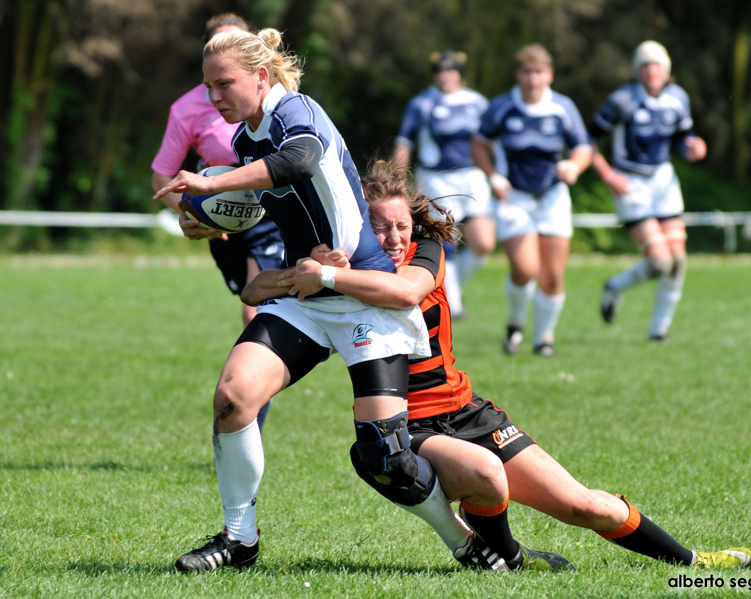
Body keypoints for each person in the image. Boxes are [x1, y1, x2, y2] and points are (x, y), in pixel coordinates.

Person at [258, 159, 751, 573]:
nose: (391, 236)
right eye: (379, 226)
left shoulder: (424, 252)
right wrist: (302, 274)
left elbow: (404, 290)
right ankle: (512, 561)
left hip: (468, 411)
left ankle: (695, 561)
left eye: (400, 225)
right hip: (407, 428)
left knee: (583, 505)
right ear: (360, 226)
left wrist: (325, 275)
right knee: (487, 475)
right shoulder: (338, 264)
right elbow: (254, 290)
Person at [153, 28, 469, 574]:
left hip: (360, 293)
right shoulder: (246, 142)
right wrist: (207, 220)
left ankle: (467, 544)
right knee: (233, 398)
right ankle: (239, 540)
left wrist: (208, 186)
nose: (215, 97)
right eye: (208, 87)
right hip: (306, 292)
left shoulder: (297, 111)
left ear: (260, 76)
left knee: (386, 455)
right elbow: (263, 199)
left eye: (224, 83)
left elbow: (298, 162)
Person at [151, 13, 282, 431]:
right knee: (247, 300)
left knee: (256, 312)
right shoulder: (187, 107)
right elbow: (162, 176)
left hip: (272, 215)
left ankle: (246, 423)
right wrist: (191, 215)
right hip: (223, 223)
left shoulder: (279, 97)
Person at [471, 44, 592, 357]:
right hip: (514, 198)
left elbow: (583, 148)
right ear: (518, 75)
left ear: (549, 74)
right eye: (527, 72)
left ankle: (543, 338)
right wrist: (493, 176)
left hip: (553, 197)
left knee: (552, 276)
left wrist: (574, 166)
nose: (533, 79)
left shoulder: (562, 107)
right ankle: (515, 322)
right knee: (525, 268)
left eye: (538, 72)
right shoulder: (501, 107)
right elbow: (479, 144)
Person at [590, 41, 707, 341]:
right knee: (659, 261)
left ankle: (659, 330)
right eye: (645, 65)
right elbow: (586, 141)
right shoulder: (622, 101)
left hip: (663, 182)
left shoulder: (678, 98)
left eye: (656, 65)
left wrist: (693, 147)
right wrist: (607, 174)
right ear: (637, 70)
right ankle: (614, 287)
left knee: (678, 260)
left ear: (666, 70)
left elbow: (683, 136)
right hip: (630, 183)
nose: (651, 71)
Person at [394, 50, 495, 320]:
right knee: (445, 242)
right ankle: (454, 303)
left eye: (451, 71)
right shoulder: (422, 103)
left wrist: (498, 174)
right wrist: (396, 181)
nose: (445, 76)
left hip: (472, 177)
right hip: (437, 178)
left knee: (484, 242)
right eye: (440, 72)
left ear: (460, 74)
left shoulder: (478, 102)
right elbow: (405, 143)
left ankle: (454, 285)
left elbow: (491, 142)